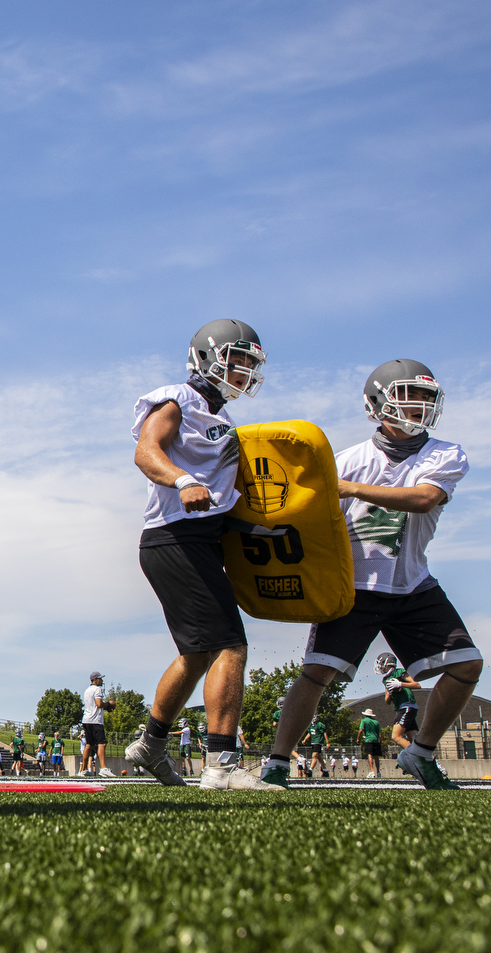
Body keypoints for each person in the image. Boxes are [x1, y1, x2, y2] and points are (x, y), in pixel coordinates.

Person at [260, 361, 477, 791]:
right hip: (353, 587)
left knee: (466, 665)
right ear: (377, 402)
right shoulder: (344, 460)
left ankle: (421, 751)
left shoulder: (445, 453)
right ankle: (278, 761)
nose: (420, 405)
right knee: (316, 674)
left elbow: (424, 497)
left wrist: (352, 488)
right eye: (408, 395)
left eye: (426, 397)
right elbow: (316, 530)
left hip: (412, 583)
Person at [122, 320, 281, 792]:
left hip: (199, 538)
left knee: (196, 654)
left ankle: (151, 744)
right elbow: (146, 451)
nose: (246, 370)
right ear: (207, 357)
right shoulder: (178, 398)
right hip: (175, 536)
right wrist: (183, 480)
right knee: (231, 645)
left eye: (252, 363)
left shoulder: (223, 420)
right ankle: (221, 764)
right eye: (239, 359)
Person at [380, 656, 425, 751]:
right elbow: (387, 701)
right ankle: (431, 761)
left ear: (386, 664)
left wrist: (400, 684)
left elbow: (417, 685)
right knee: (414, 740)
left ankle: (416, 756)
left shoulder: (400, 672)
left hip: (407, 706)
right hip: (401, 708)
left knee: (396, 736)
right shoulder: (386, 679)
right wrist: (391, 692)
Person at [80, 673, 115, 778]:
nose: (101, 681)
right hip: (96, 721)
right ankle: (103, 768)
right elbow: (99, 704)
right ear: (95, 680)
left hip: (86, 719)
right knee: (102, 744)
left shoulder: (87, 690)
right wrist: (109, 704)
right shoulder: (97, 690)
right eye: (100, 679)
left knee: (89, 744)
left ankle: (84, 769)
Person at [359, 709, 383, 777]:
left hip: (368, 739)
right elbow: (380, 733)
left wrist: (358, 738)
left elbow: (361, 730)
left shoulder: (363, 721)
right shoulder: (376, 722)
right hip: (376, 740)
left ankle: (372, 771)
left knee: (370, 755)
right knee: (376, 756)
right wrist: (380, 741)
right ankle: (378, 772)